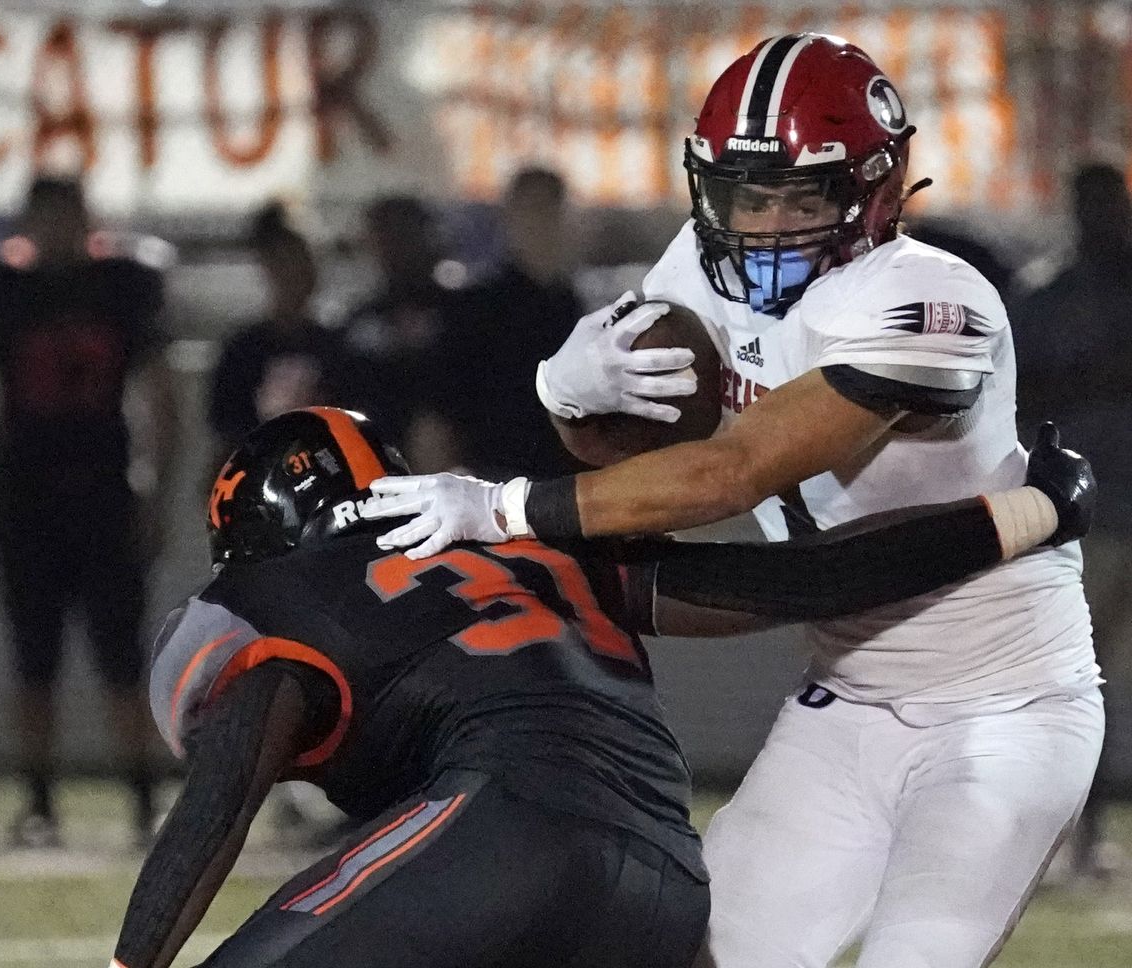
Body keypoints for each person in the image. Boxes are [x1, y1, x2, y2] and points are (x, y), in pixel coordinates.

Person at [364, 33, 1104, 968]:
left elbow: (733, 473)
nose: (768, 226)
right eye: (748, 196)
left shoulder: (928, 299)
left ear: (874, 187)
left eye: (804, 197)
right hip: (846, 696)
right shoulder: (693, 271)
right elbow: (635, 470)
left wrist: (502, 506)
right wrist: (569, 401)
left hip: (1003, 708)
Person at [109, 406, 1091, 968]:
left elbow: (220, 789)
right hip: (663, 884)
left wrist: (132, 958)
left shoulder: (273, 593)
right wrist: (1029, 506)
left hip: (498, 826)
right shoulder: (528, 537)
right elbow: (797, 580)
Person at [0, 175, 180, 848]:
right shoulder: (1, 293)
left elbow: (161, 396)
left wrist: (155, 490)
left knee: (121, 660)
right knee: (33, 659)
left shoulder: (123, 286)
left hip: (102, 490)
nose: (58, 231)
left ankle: (143, 800)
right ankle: (40, 804)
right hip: (26, 497)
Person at [1012, 162, 1132, 880]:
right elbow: (1014, 393)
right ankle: (1071, 839)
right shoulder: (1050, 297)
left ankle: (1082, 838)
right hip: (1093, 517)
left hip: (1111, 511)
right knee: (1078, 683)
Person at [444, 167, 586, 479]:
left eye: (549, 207)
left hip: (569, 483)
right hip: (497, 484)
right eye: (530, 208)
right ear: (508, 218)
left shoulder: (577, 306)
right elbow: (442, 415)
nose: (540, 221)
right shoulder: (475, 310)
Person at [206, 203, 346, 487]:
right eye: (282, 262)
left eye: (300, 261)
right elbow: (225, 438)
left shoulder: (340, 347)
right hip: (262, 486)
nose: (292, 273)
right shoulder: (242, 351)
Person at [335, 196, 464, 473]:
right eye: (382, 238)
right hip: (373, 466)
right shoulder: (358, 323)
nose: (392, 250)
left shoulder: (462, 314)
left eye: (403, 235)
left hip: (451, 469)